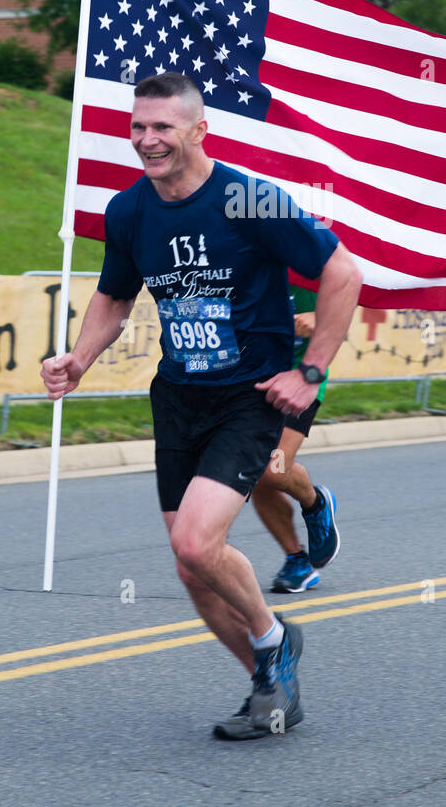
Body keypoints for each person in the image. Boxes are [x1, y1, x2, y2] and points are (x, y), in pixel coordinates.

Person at [40, 73, 361, 742]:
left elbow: (341, 272)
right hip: (179, 398)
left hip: (249, 398)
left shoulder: (249, 200)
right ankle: (271, 685)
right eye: (138, 126)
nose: (147, 139)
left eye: (162, 127)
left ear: (198, 130)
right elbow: (115, 295)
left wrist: (309, 372)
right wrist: (79, 358)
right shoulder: (129, 211)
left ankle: (273, 640)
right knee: (192, 568)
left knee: (194, 540)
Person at [252, 282, 340, 594]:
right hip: (251, 377)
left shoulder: (312, 260)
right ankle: (296, 560)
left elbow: (352, 289)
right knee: (254, 474)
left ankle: (314, 503)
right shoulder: (242, 259)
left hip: (301, 378)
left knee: (272, 468)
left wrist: (321, 319)